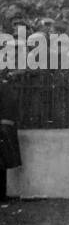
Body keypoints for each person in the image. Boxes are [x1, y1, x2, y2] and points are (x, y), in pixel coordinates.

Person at [0, 72, 20, 205]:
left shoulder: (4, 88)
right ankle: (2, 195)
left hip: (2, 128)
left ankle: (1, 195)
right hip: (5, 127)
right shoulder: (7, 88)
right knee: (2, 163)